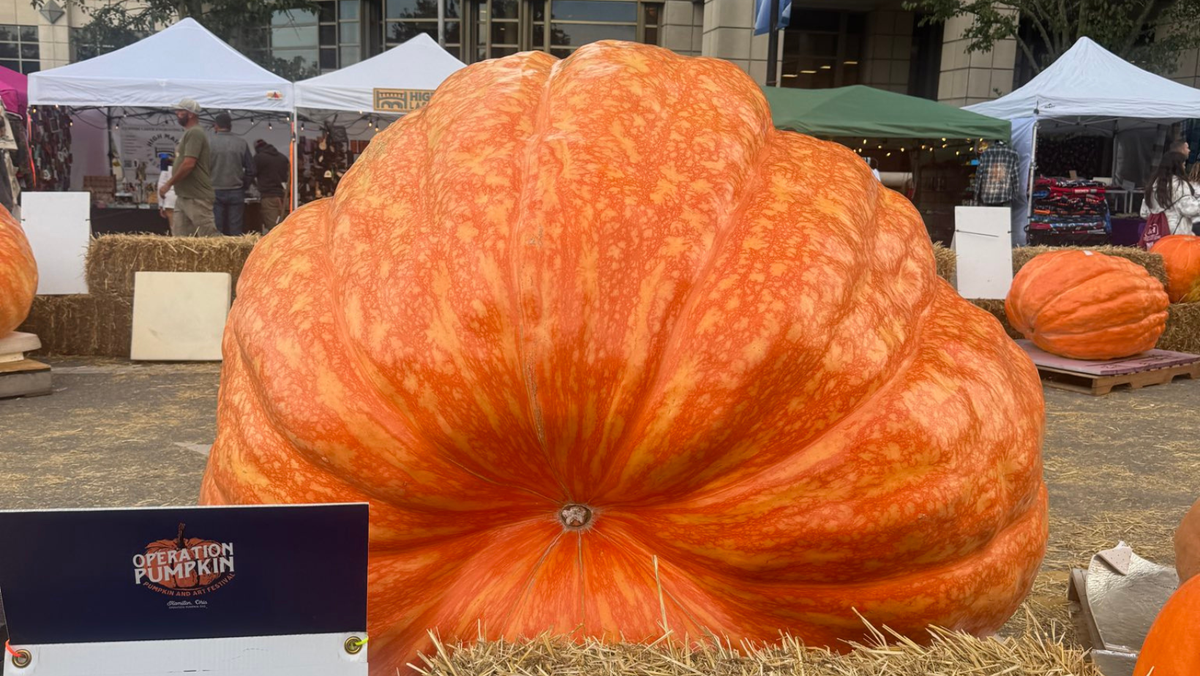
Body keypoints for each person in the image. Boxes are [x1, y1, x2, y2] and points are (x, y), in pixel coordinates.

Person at [158, 98, 218, 237]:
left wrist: (168, 184)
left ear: (190, 114)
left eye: (180, 111)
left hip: (196, 196)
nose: (176, 113)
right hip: (184, 195)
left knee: (209, 238)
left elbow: (189, 163)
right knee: (181, 240)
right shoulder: (190, 133)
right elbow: (186, 161)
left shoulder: (195, 132)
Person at [1139, 151, 1200, 248]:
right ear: (1177, 167)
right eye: (1183, 165)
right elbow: (1190, 210)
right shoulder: (1180, 185)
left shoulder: (1153, 185)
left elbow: (1144, 213)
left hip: (1155, 235)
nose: (1184, 168)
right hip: (1177, 235)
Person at [209, 112, 254, 236]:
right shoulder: (241, 143)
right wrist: (244, 185)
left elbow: (202, 168)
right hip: (236, 190)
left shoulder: (209, 143)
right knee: (235, 229)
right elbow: (251, 169)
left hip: (215, 189)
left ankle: (217, 248)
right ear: (230, 126)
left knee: (217, 228)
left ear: (216, 126)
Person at [253, 139, 289, 232]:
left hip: (268, 197)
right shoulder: (283, 157)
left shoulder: (259, 158)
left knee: (273, 229)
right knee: (286, 227)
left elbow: (251, 173)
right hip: (284, 197)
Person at [156, 152, 176, 224]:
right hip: (185, 197)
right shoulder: (188, 167)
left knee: (174, 225)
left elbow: (161, 185)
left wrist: (161, 205)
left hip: (170, 197)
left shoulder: (166, 168)